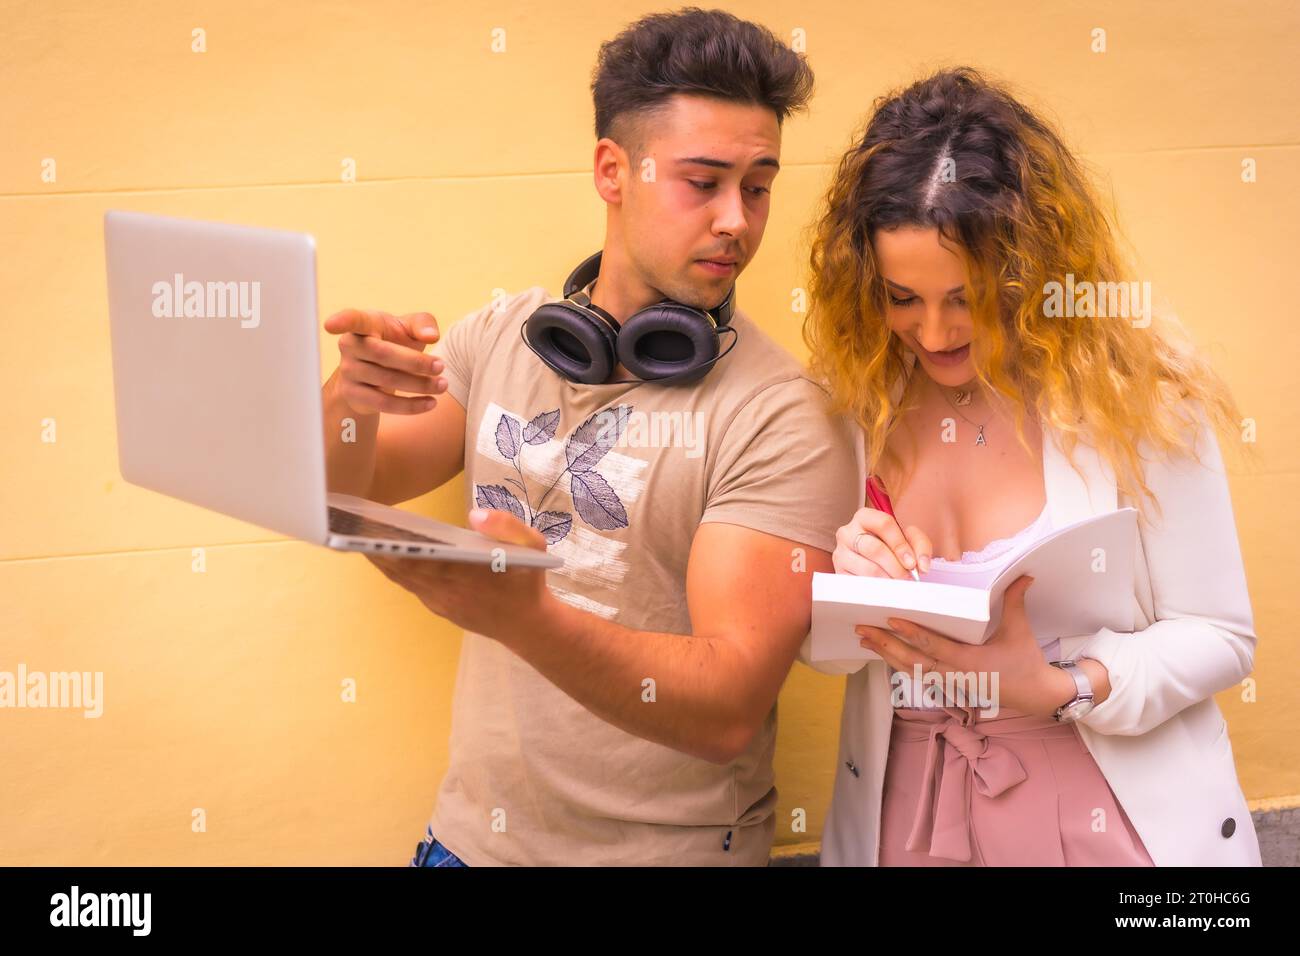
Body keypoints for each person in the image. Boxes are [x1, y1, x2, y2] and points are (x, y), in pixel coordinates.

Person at [320, 8, 860, 866]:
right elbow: (342, 489)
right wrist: (349, 400)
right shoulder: (497, 336)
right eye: (704, 182)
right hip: (465, 845)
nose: (737, 220)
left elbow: (727, 708)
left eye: (758, 187)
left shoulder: (782, 415)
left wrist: (527, 617)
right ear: (614, 170)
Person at [799, 67, 1260, 866]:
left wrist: (1065, 685)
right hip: (905, 810)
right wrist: (847, 584)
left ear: (1030, 273)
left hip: (1101, 811)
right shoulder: (852, 402)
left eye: (966, 298)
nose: (933, 333)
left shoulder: (1136, 395)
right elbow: (825, 651)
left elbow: (1221, 637)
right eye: (903, 298)